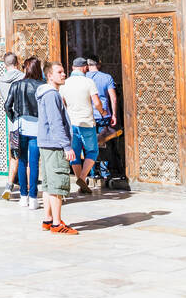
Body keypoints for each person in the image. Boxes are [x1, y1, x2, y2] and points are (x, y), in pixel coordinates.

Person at [36, 61, 77, 235]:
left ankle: (48, 219)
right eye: (59, 72)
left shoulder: (46, 93)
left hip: (46, 143)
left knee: (47, 183)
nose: (64, 74)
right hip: (54, 145)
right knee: (57, 184)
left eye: (63, 71)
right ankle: (57, 223)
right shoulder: (51, 95)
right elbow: (55, 122)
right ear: (49, 76)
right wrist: (67, 146)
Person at [60, 57, 104, 194]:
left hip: (72, 123)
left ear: (73, 68)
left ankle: (81, 182)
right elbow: (96, 102)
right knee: (93, 151)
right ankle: (83, 177)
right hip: (87, 122)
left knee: (75, 154)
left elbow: (62, 103)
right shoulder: (89, 82)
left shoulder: (64, 84)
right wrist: (102, 111)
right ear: (85, 68)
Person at [6, 56, 43, 207]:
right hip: (37, 129)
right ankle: (33, 198)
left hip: (19, 127)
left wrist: (15, 119)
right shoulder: (42, 86)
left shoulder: (16, 85)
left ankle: (23, 197)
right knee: (34, 163)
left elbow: (7, 105)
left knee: (21, 161)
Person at [87, 56, 123, 187]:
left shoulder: (84, 78)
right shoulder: (106, 78)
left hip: (88, 116)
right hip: (103, 116)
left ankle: (91, 172)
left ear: (87, 65)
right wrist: (114, 114)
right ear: (99, 64)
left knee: (90, 143)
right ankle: (104, 172)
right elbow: (113, 98)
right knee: (104, 143)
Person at [0, 51, 24, 200]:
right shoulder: (24, 78)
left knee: (14, 153)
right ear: (17, 63)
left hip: (12, 123)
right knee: (26, 154)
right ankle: (25, 186)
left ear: (4, 64)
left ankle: (10, 184)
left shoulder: (1, 81)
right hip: (26, 122)